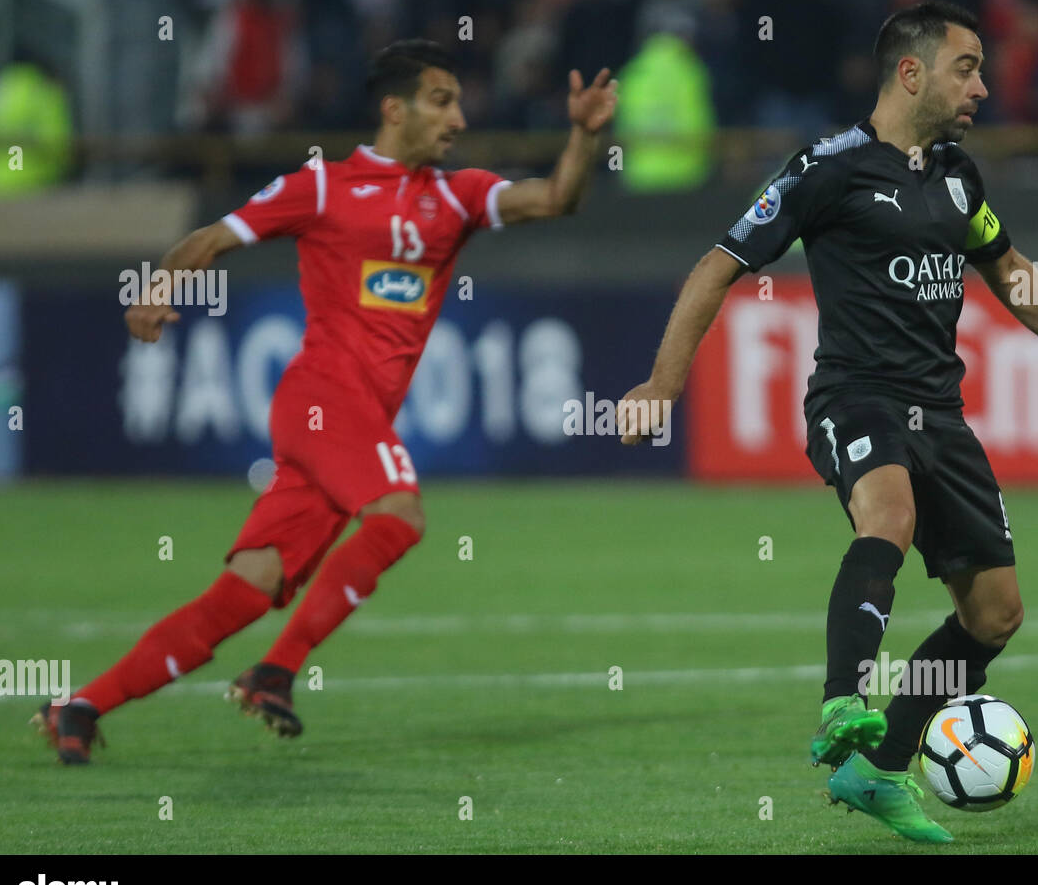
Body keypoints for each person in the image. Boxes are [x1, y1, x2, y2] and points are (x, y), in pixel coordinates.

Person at [619, 1, 1038, 843]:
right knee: (886, 515)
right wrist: (662, 384)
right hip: (856, 397)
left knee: (996, 613)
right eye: (967, 68)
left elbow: (1008, 271)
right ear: (911, 71)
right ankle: (840, 705)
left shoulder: (959, 175)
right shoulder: (830, 168)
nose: (984, 86)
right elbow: (718, 265)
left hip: (942, 414)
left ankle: (877, 770)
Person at [34, 39, 617, 764]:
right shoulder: (321, 187)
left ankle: (80, 706)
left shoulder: (457, 195)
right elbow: (213, 237)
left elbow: (557, 197)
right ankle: (275, 672)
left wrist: (586, 135)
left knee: (247, 591)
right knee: (400, 514)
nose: (459, 118)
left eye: (460, 102)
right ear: (393, 108)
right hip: (321, 397)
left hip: (357, 420)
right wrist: (156, 290)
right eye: (442, 101)